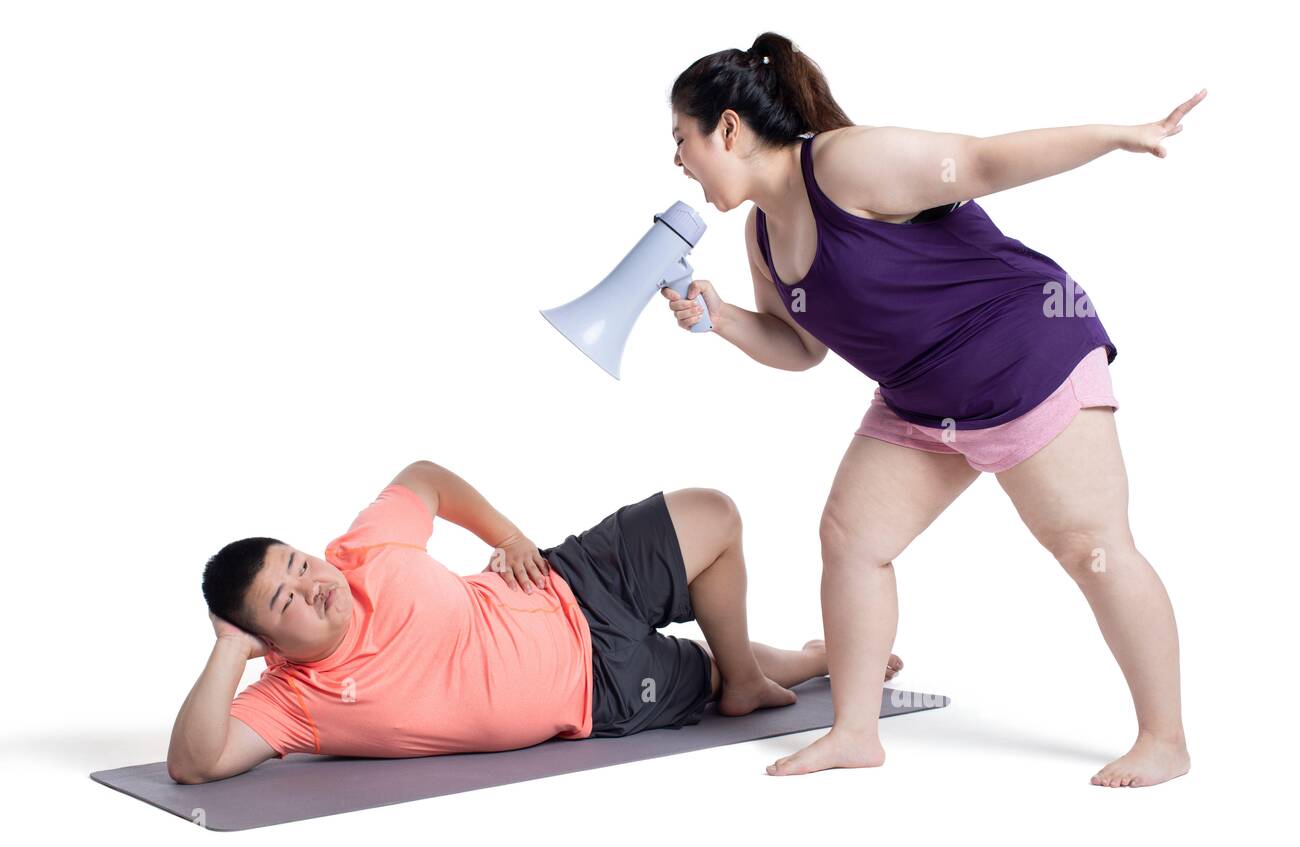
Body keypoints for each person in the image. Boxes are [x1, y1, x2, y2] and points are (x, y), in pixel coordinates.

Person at [660, 31, 1204, 786]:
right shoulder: (762, 236)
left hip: (1023, 356)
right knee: (851, 539)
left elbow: (980, 162)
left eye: (682, 138)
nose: (678, 159)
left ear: (727, 128)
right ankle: (855, 732)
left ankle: (1165, 740)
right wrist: (719, 319)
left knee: (1091, 547)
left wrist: (1118, 136)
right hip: (924, 397)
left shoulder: (845, 162)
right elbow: (800, 348)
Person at [167, 459, 903, 783]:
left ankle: (749, 677)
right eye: (284, 600)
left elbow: (423, 475)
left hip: (566, 579)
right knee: (703, 671)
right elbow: (194, 764)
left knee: (713, 513)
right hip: (600, 687)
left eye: (297, 564)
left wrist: (508, 538)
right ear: (265, 642)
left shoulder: (359, 550)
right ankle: (807, 660)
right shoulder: (293, 703)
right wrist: (230, 649)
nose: (311, 584)